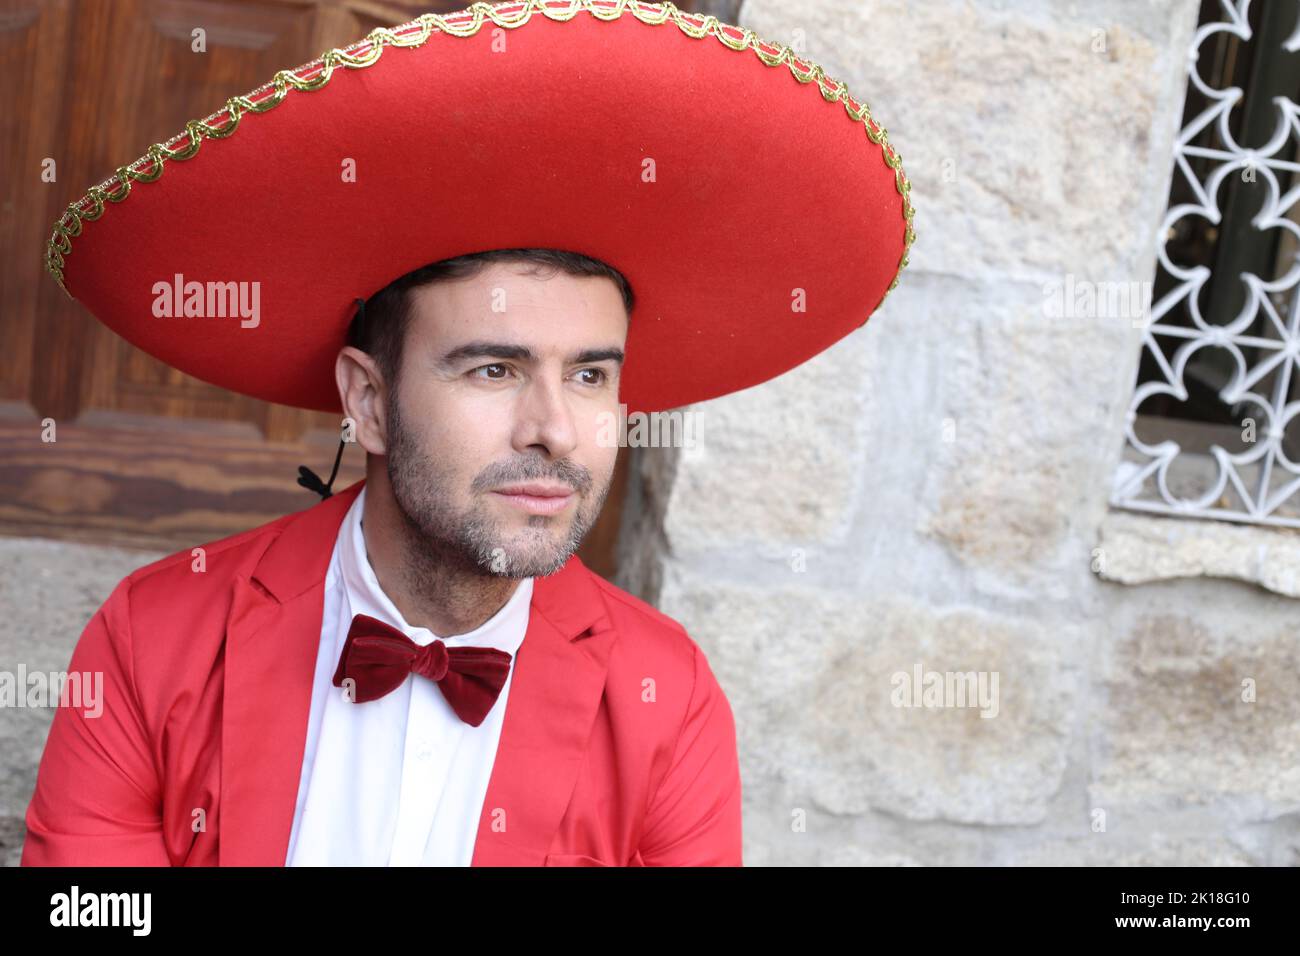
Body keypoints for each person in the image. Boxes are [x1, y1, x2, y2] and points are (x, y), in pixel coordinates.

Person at [25, 1, 913, 866]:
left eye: (591, 375)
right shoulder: (157, 634)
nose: (556, 429)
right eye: (494, 370)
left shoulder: (666, 698)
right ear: (368, 404)